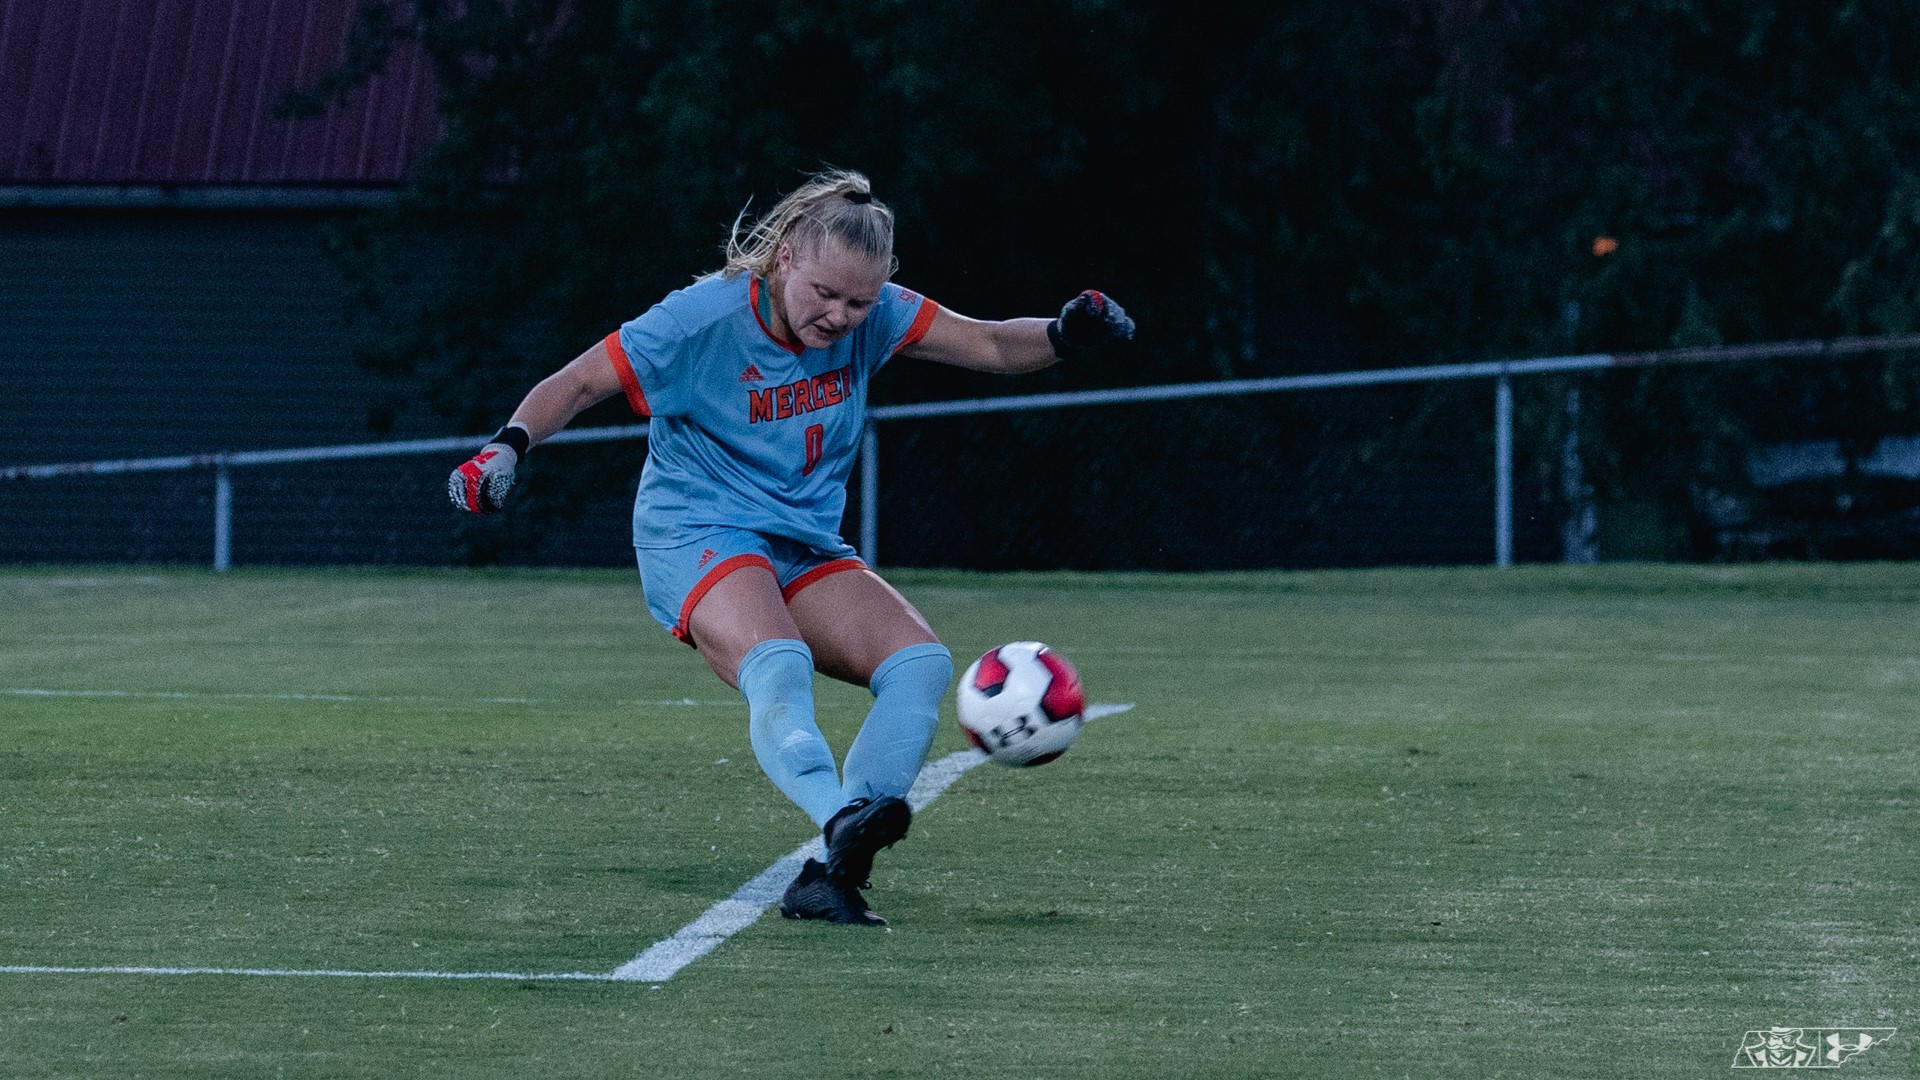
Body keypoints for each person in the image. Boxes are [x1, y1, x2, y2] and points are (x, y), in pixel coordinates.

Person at [447, 168, 1133, 925]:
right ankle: (842, 817)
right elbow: (579, 382)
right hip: (696, 531)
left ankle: (834, 869)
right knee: (779, 663)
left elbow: (992, 344)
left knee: (920, 665)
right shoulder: (702, 319)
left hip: (801, 539)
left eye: (859, 302)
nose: (841, 316)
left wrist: (1064, 335)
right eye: (825, 294)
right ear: (783, 258)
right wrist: (506, 446)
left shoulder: (876, 314)